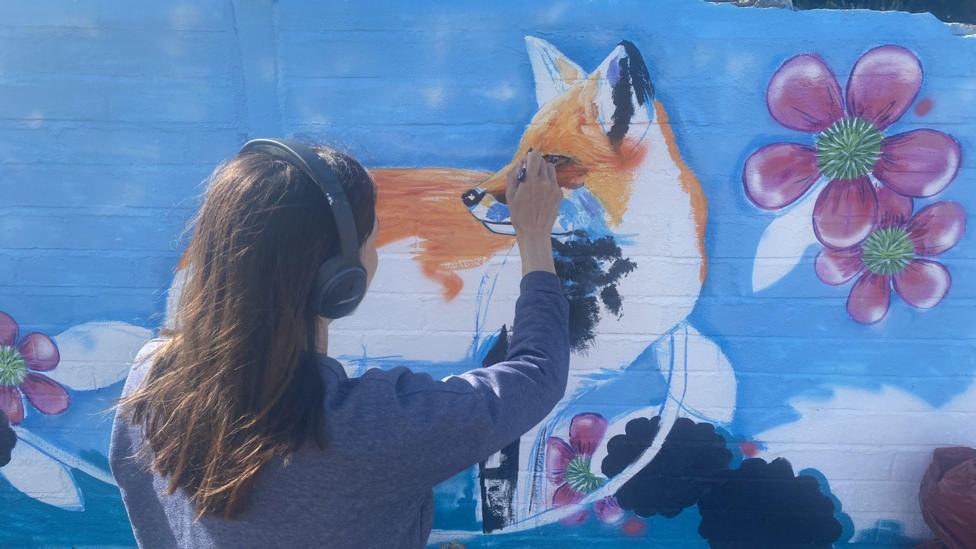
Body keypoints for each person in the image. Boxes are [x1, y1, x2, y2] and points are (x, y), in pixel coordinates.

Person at [109, 140, 569, 549]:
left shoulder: (150, 381)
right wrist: (533, 237)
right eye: (373, 236)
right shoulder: (367, 425)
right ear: (340, 281)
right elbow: (536, 373)